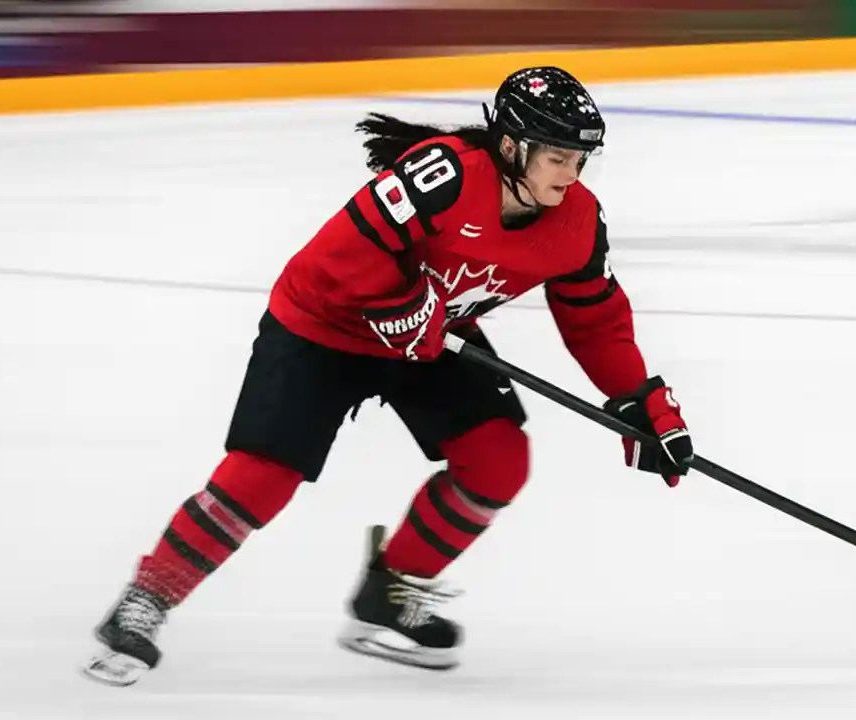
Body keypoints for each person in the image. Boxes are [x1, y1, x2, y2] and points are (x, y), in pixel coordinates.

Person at [82, 66, 694, 686]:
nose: (571, 174)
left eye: (580, 159)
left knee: (498, 459)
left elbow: (596, 322)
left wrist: (639, 401)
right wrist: (398, 307)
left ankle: (391, 592)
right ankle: (146, 599)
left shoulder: (578, 224)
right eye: (558, 157)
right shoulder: (445, 174)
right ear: (512, 146)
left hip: (432, 335)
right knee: (262, 477)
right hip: (324, 325)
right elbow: (343, 249)